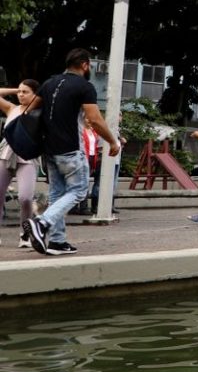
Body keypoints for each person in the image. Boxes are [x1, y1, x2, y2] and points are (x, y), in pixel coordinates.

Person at [26, 49, 120, 256]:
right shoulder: (85, 87)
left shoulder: (49, 83)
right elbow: (94, 119)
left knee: (58, 194)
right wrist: (113, 141)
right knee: (78, 191)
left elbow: (31, 109)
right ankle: (42, 223)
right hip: (70, 149)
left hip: (49, 150)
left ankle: (57, 242)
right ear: (85, 65)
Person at [0, 80, 42, 243]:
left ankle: (25, 233)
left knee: (25, 197)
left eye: (25, 92)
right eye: (20, 92)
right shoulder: (12, 108)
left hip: (28, 157)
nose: (21, 95)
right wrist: (16, 88)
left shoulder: (39, 112)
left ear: (35, 95)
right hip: (6, 154)